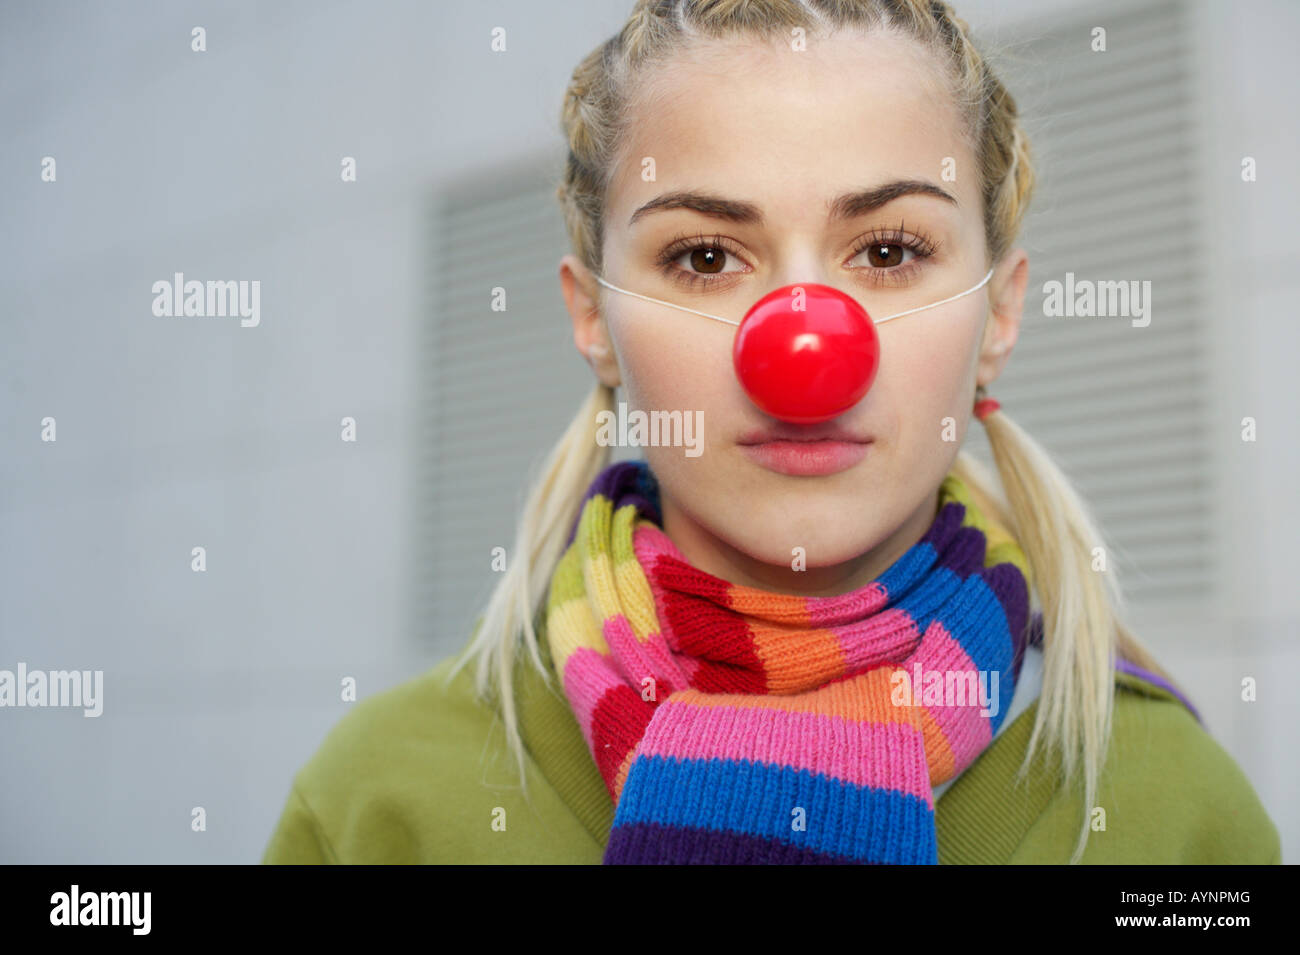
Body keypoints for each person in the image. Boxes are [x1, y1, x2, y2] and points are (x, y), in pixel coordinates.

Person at [262, 0, 1280, 865]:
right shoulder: (375, 809)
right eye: (705, 257)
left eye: (887, 249)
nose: (800, 348)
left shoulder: (1176, 817)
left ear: (997, 314)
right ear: (592, 318)